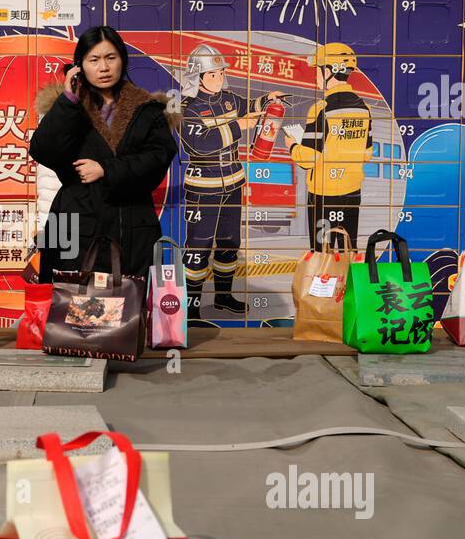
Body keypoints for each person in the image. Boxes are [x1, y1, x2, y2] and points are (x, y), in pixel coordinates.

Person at [30, 26, 177, 281]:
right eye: (94, 60)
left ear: (123, 59)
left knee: (130, 309)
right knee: (68, 305)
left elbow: (158, 158)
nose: (104, 67)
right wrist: (68, 100)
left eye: (111, 57)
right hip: (73, 222)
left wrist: (106, 169)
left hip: (132, 223)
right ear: (80, 66)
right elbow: (43, 149)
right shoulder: (67, 106)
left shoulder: (148, 109)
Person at [179, 42, 282, 324]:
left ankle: (223, 296)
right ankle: (192, 307)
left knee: (229, 243)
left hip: (233, 183)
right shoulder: (187, 109)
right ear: (198, 77)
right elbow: (201, 144)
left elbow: (249, 106)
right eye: (213, 74)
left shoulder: (227, 99)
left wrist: (267, 99)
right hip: (203, 189)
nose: (220, 77)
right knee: (198, 247)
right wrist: (240, 127)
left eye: (221, 72)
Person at [291, 42, 373, 252]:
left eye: (318, 71)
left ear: (329, 71)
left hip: (323, 196)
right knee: (349, 250)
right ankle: (349, 286)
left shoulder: (321, 109)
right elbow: (367, 154)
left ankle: (324, 287)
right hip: (353, 192)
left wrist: (292, 144)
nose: (316, 77)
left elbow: (308, 159)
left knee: (322, 254)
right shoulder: (364, 108)